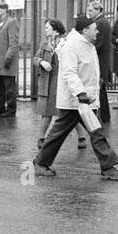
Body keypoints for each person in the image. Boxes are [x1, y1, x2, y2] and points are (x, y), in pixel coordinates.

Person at [31, 15, 118, 181]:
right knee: (66, 133)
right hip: (75, 101)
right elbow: (69, 72)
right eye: (94, 29)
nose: (97, 31)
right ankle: (41, 163)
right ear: (85, 30)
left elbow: (87, 68)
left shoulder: (86, 44)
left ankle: (107, 167)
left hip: (84, 101)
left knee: (94, 132)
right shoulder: (72, 46)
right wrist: (80, 93)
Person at [35, 17, 86, 150]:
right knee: (46, 111)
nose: (45, 30)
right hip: (48, 81)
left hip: (62, 81)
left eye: (47, 27)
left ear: (55, 29)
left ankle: (82, 137)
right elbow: (35, 58)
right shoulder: (44, 43)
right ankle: (41, 138)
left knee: (68, 111)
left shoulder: (66, 42)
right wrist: (42, 62)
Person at [0, 3, 20, 117]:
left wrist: (8, 59)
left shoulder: (11, 22)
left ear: (5, 10)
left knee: (9, 88)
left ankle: (11, 110)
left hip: (5, 61)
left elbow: (14, 43)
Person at [86, 0, 114, 122]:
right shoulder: (103, 22)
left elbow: (99, 43)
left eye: (91, 10)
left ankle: (103, 116)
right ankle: (104, 116)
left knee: (100, 89)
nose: (89, 13)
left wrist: (88, 52)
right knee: (101, 90)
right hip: (104, 60)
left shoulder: (99, 23)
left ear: (98, 10)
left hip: (100, 61)